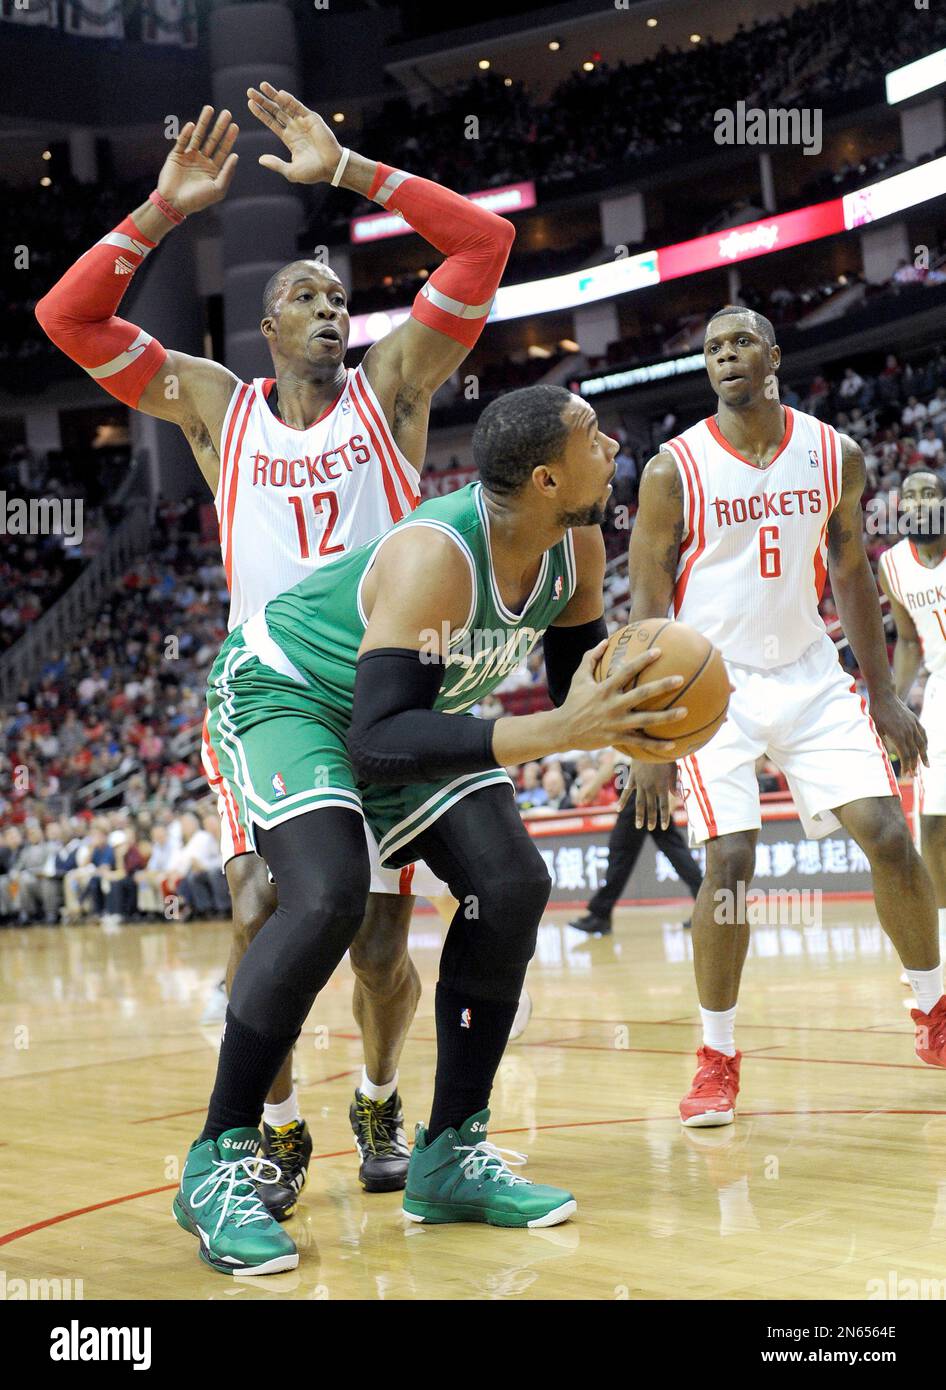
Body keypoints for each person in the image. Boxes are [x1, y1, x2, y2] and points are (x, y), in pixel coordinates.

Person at [35, 85, 521, 1210]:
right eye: (302, 295)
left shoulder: (393, 390)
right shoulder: (215, 404)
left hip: (388, 699)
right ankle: (279, 1123)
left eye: (338, 297)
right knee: (265, 910)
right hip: (273, 703)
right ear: (264, 326)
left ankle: (384, 1095)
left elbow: (484, 242)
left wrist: (353, 172)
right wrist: (158, 211)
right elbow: (67, 320)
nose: (326, 309)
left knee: (381, 944)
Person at [173, 383, 692, 1274]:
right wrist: (550, 734)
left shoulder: (577, 544)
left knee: (514, 881)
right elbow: (377, 742)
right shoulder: (437, 555)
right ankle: (215, 1162)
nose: (612, 443)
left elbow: (577, 686)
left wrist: (645, 726)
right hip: (288, 694)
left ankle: (448, 1153)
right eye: (590, 436)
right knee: (328, 895)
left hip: (399, 712)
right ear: (542, 477)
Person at [626, 305, 944, 1130]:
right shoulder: (673, 469)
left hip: (810, 674)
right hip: (710, 691)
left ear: (772, 355)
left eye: (738, 342)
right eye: (710, 348)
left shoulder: (836, 454)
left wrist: (880, 695)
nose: (724, 356)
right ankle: (717, 1056)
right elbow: (646, 612)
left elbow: (850, 574)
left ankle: (933, 1010)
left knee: (888, 836)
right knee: (730, 866)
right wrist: (646, 738)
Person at [877, 471, 946, 948]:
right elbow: (906, 641)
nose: (920, 503)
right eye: (912, 496)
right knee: (934, 819)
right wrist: (894, 706)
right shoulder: (893, 564)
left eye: (930, 494)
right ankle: (940, 940)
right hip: (939, 692)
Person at [569, 751, 702, 933]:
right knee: (674, 849)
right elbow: (615, 761)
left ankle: (600, 915)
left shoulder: (632, 730)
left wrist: (594, 786)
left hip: (639, 787)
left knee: (621, 855)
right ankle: (707, 903)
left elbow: (619, 760)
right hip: (647, 785)